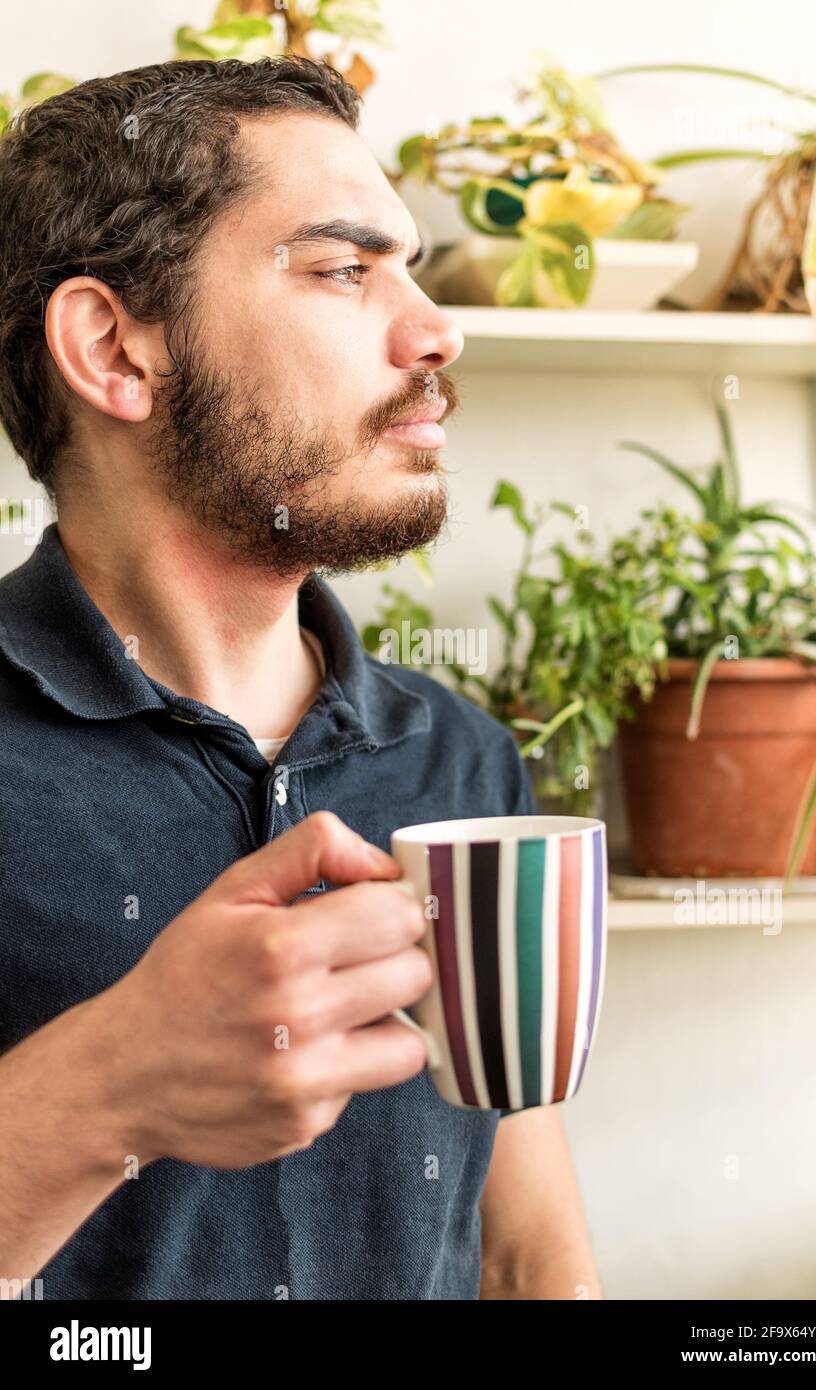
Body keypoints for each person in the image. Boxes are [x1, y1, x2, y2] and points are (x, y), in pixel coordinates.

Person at [0, 55, 601, 1300]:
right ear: (114, 348)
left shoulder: (463, 759)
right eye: (343, 269)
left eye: (413, 269)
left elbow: (523, 1251)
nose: (436, 331)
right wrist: (111, 1080)